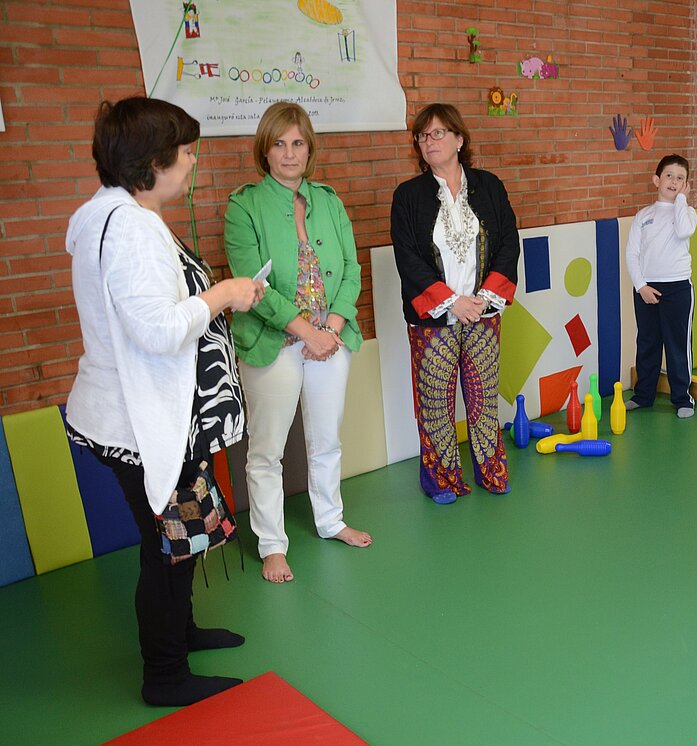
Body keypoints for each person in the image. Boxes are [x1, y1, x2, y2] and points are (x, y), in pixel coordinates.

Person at [65, 97, 263, 705]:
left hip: (150, 415)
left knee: (181, 538)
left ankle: (183, 631)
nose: (192, 161)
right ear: (152, 163)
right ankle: (166, 675)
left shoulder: (120, 214)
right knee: (167, 550)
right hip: (143, 425)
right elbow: (157, 330)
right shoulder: (129, 229)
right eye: (184, 152)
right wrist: (225, 294)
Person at [224, 102, 372, 584]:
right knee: (266, 451)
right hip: (274, 342)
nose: (289, 153)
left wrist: (331, 327)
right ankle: (272, 544)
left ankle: (330, 520)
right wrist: (308, 332)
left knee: (326, 440)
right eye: (279, 144)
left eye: (298, 143)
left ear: (310, 149)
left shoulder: (328, 200)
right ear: (265, 150)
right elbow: (252, 284)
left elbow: (351, 269)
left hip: (330, 336)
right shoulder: (244, 206)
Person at [390, 103, 519, 502]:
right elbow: (407, 258)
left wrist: (483, 298)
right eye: (422, 136)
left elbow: (508, 242)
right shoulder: (408, 196)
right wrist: (450, 302)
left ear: (460, 139)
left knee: (484, 398)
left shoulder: (489, 186)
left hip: (483, 311)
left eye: (438, 133)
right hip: (433, 319)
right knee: (435, 403)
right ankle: (441, 479)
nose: (429, 141)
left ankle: (491, 470)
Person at [625, 154, 697, 418]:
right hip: (646, 288)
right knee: (647, 343)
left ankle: (682, 399)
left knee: (677, 345)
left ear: (686, 185)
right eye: (669, 175)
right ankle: (643, 395)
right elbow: (632, 253)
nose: (674, 181)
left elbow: (683, 231)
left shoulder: (688, 213)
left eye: (680, 178)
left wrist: (681, 200)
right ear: (656, 180)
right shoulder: (643, 215)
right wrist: (641, 286)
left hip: (677, 288)